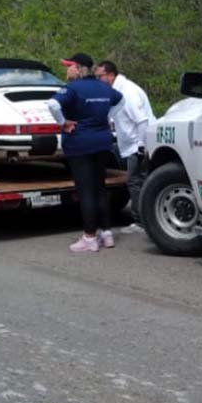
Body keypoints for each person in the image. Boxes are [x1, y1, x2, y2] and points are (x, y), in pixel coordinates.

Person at [46, 53, 123, 253]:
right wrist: (106, 117)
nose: (67, 70)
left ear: (79, 68)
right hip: (102, 141)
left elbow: (53, 104)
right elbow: (120, 101)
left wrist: (63, 123)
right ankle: (106, 234)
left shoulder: (72, 88)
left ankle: (89, 237)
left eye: (69, 66)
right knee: (100, 187)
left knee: (85, 190)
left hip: (80, 143)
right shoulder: (104, 86)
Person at [95, 60, 155, 233]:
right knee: (138, 181)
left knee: (135, 181)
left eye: (100, 76)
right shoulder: (118, 90)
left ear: (111, 75)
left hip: (138, 145)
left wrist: (143, 146)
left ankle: (142, 222)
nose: (99, 80)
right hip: (133, 144)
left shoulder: (127, 91)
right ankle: (144, 220)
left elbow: (141, 120)